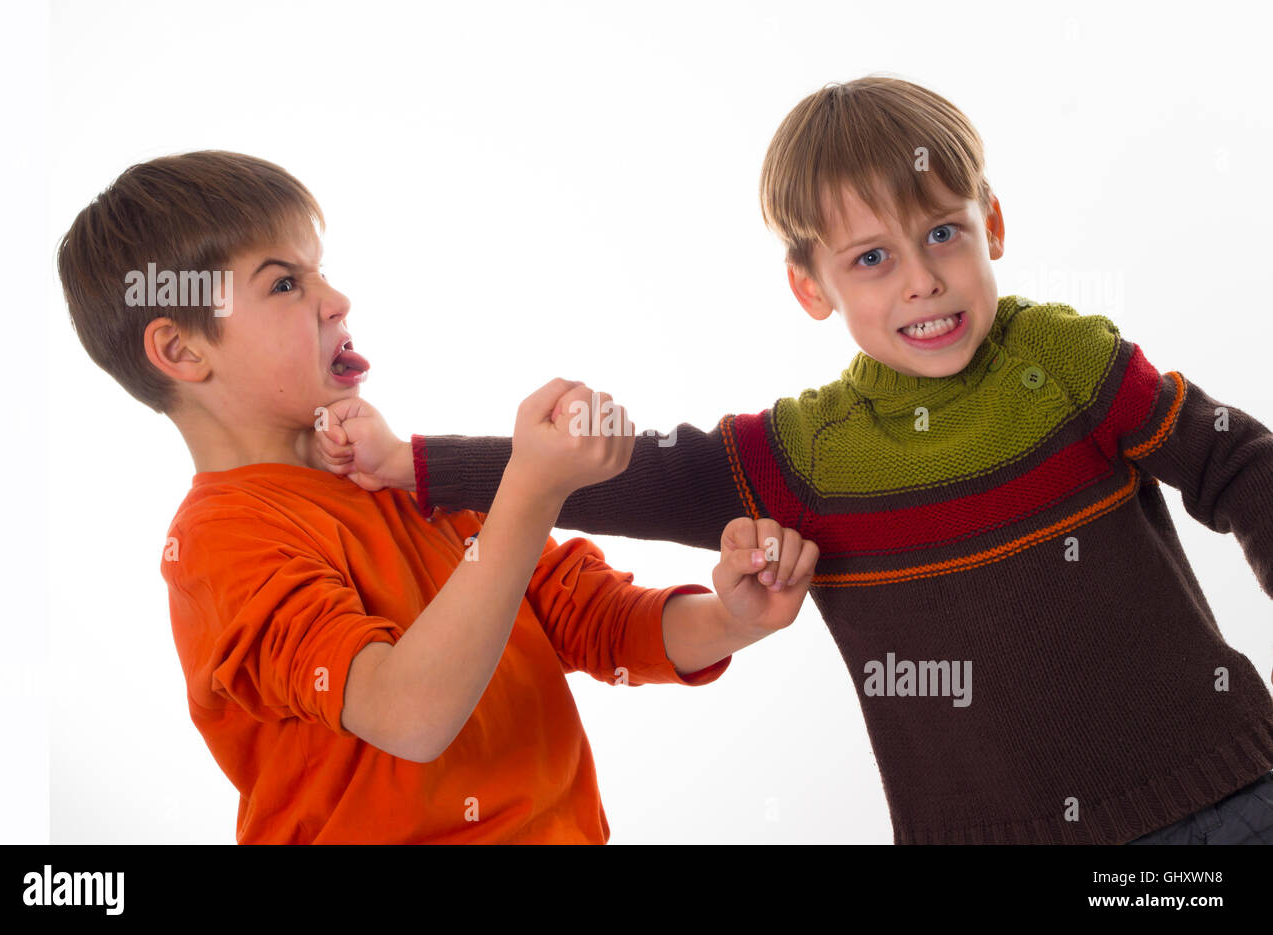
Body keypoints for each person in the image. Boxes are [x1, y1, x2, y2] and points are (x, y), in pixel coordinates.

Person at [392, 77, 1273, 844]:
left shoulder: (1065, 359)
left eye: (941, 234)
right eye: (873, 259)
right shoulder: (809, 452)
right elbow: (621, 470)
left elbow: (1239, 463)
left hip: (1228, 797)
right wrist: (415, 464)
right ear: (812, 287)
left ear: (991, 223)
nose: (920, 280)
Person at [55, 150, 819, 843]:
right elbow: (406, 712)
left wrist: (730, 617)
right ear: (181, 350)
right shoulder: (224, 541)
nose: (336, 299)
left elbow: (593, 621)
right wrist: (530, 485)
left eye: (321, 272)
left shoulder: (398, 479)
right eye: (285, 283)